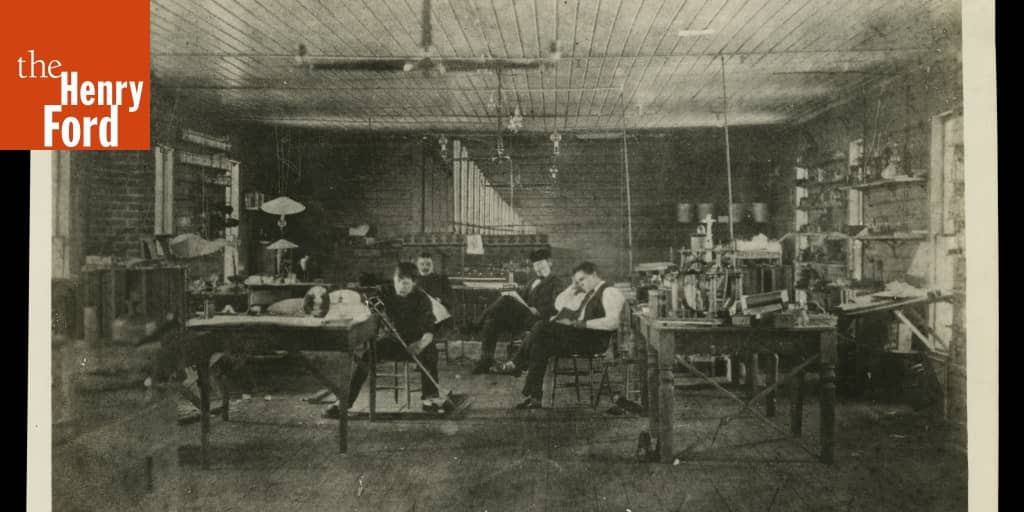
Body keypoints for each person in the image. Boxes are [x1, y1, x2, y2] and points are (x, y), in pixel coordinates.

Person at [323, 262, 446, 418]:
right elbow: (367, 307)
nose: (401, 287)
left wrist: (420, 345)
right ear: (394, 280)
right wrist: (368, 306)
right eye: (398, 282)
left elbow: (429, 331)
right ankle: (344, 401)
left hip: (415, 343)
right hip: (392, 342)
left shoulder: (422, 298)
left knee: (430, 351)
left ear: (414, 283)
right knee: (366, 356)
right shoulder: (385, 291)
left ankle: (430, 399)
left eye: (406, 283)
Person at [509, 262, 626, 410]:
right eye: (577, 281)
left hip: (594, 341)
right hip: (580, 337)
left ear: (594, 275)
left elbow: (613, 321)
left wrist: (582, 323)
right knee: (540, 345)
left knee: (540, 326)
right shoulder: (586, 293)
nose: (580, 284)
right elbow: (559, 304)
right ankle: (534, 397)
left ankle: (517, 363)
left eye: (582, 279)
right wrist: (572, 287)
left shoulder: (609, 292)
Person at [471, 248, 564, 374]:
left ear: (550, 263)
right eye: (535, 265)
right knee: (491, 322)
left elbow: (558, 306)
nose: (538, 268)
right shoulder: (532, 281)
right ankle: (485, 360)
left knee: (506, 298)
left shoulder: (557, 282)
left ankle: (476, 325)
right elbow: (522, 300)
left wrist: (538, 310)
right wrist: (516, 293)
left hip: (539, 320)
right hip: (523, 318)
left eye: (541, 264)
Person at [414, 252, 457, 327]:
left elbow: (452, 299)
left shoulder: (441, 280)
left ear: (433, 265)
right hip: (418, 318)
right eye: (422, 264)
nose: (425, 267)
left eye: (428, 264)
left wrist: (441, 300)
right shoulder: (413, 280)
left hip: (438, 320)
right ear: (417, 266)